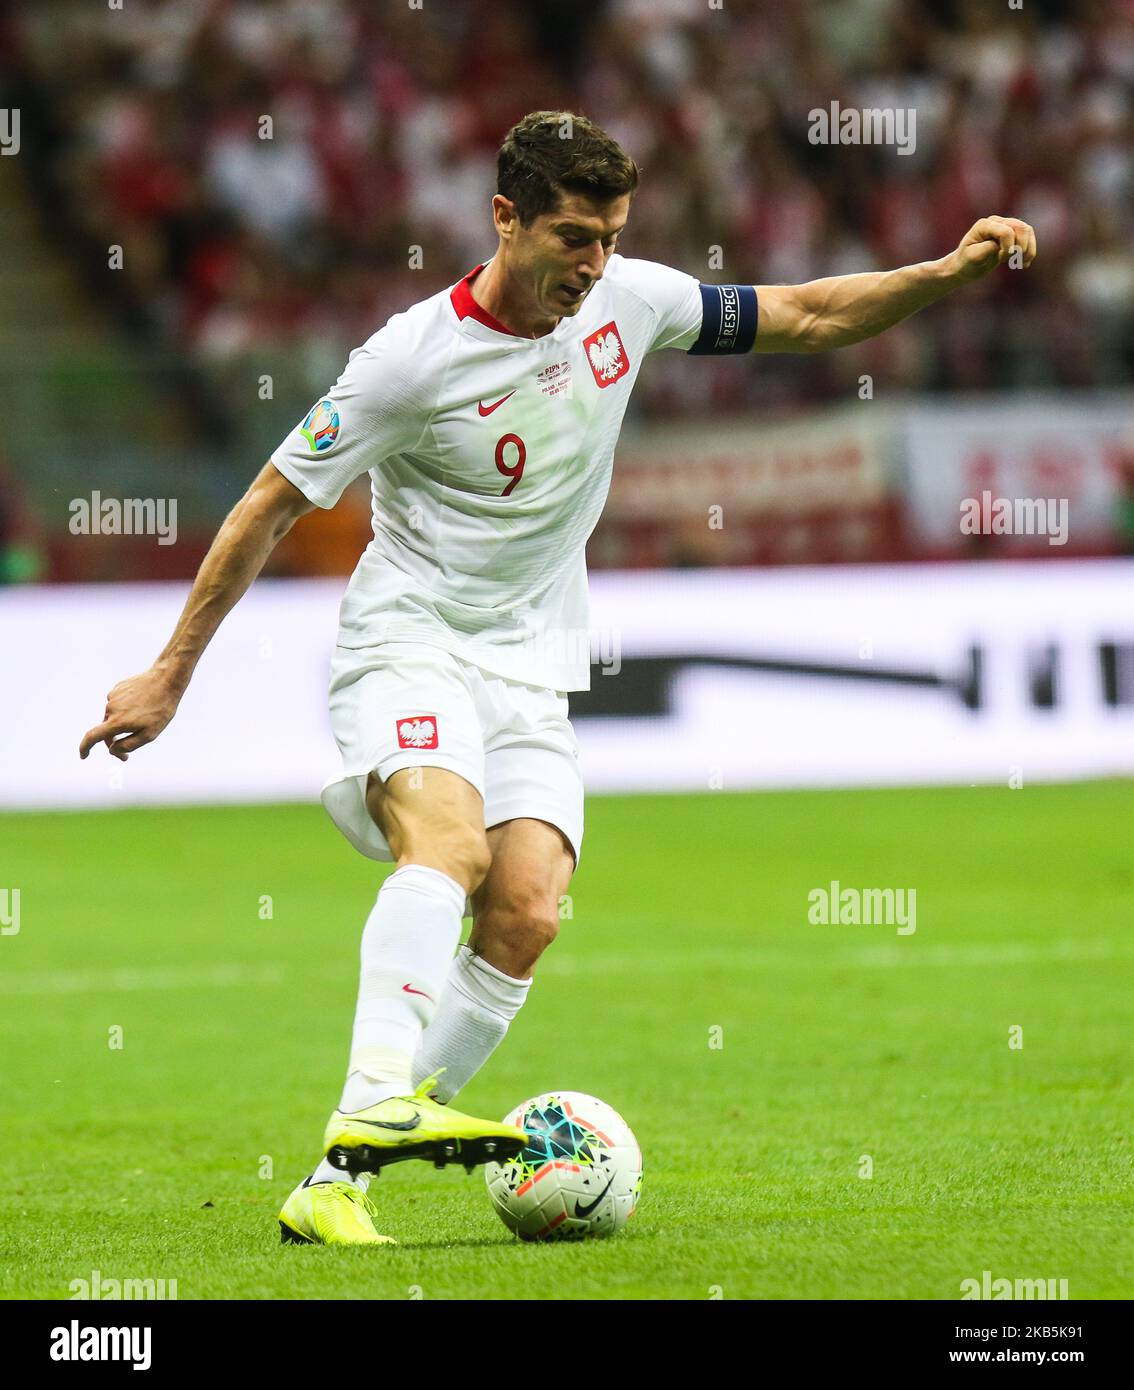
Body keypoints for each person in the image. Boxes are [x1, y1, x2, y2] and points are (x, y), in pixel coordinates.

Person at [79, 110, 1037, 1245]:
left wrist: (942, 273)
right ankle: (380, 1094)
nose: (594, 263)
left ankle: (337, 1179)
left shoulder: (630, 301)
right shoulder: (409, 359)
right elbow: (269, 505)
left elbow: (811, 314)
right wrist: (170, 672)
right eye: (574, 237)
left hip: (531, 665)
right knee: (450, 846)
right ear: (506, 217)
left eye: (611, 236)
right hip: (410, 638)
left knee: (527, 912)